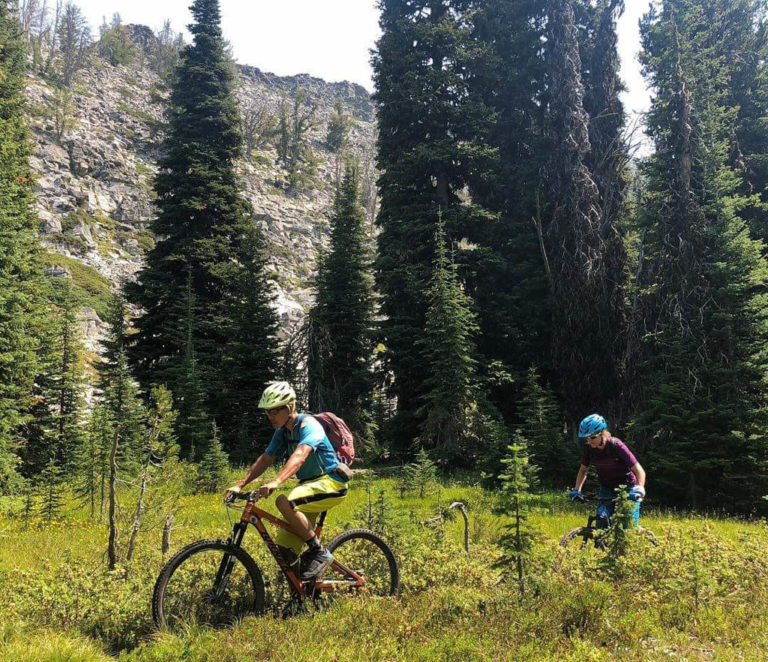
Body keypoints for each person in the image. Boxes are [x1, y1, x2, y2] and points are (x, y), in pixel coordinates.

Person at [225, 381, 350, 580]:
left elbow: (301, 454)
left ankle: (319, 552)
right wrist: (240, 484)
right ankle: (307, 595)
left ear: (290, 407)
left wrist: (276, 481)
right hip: (309, 487)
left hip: (331, 483)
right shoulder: (282, 432)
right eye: (267, 412)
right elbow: (266, 458)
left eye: (274, 411)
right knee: (284, 550)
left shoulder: (309, 425)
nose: (270, 417)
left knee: (285, 501)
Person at [569, 413, 646, 527]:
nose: (589, 441)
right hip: (607, 489)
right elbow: (583, 470)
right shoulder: (589, 448)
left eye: (592, 437)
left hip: (628, 488)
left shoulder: (616, 445)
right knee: (601, 525)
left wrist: (639, 488)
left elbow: (639, 470)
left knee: (629, 528)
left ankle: (642, 539)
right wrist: (577, 490)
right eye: (587, 438)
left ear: (602, 433)